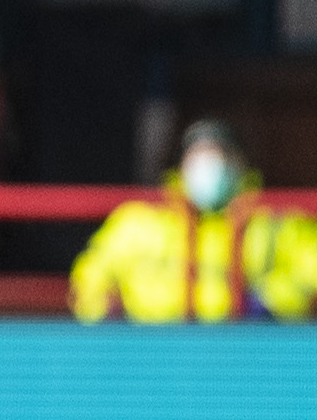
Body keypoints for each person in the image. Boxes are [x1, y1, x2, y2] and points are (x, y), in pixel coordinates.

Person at [70, 122, 317, 322]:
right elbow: (91, 275)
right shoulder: (139, 220)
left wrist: (271, 301)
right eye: (198, 155)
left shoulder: (274, 221)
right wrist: (105, 315)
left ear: (241, 164)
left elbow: (311, 268)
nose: (210, 167)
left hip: (248, 348)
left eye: (221, 156)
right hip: (154, 348)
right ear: (182, 165)